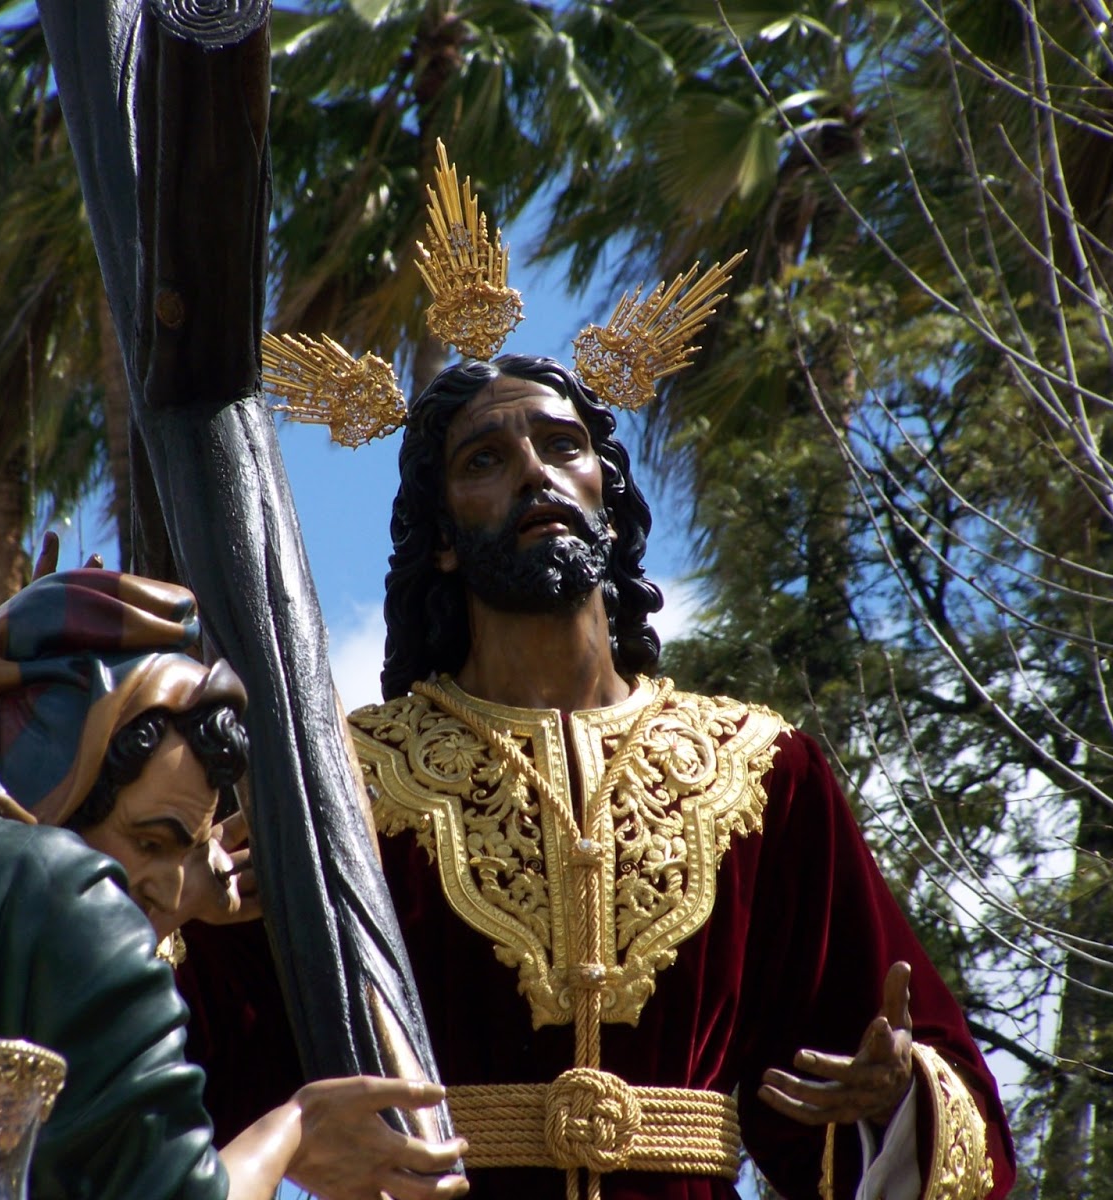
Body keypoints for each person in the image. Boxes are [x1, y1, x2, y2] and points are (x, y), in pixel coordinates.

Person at [336, 354, 1015, 1200]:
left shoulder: (762, 769)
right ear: (439, 537)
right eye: (485, 460)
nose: (535, 473)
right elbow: (207, 1049)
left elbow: (901, 1061)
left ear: (609, 507)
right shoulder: (353, 776)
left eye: (562, 445)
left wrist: (894, 1095)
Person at [0, 561, 467, 1200]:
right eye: (151, 839)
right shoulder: (67, 896)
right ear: (58, 774)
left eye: (186, 849)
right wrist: (294, 1131)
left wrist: (185, 869)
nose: (169, 889)